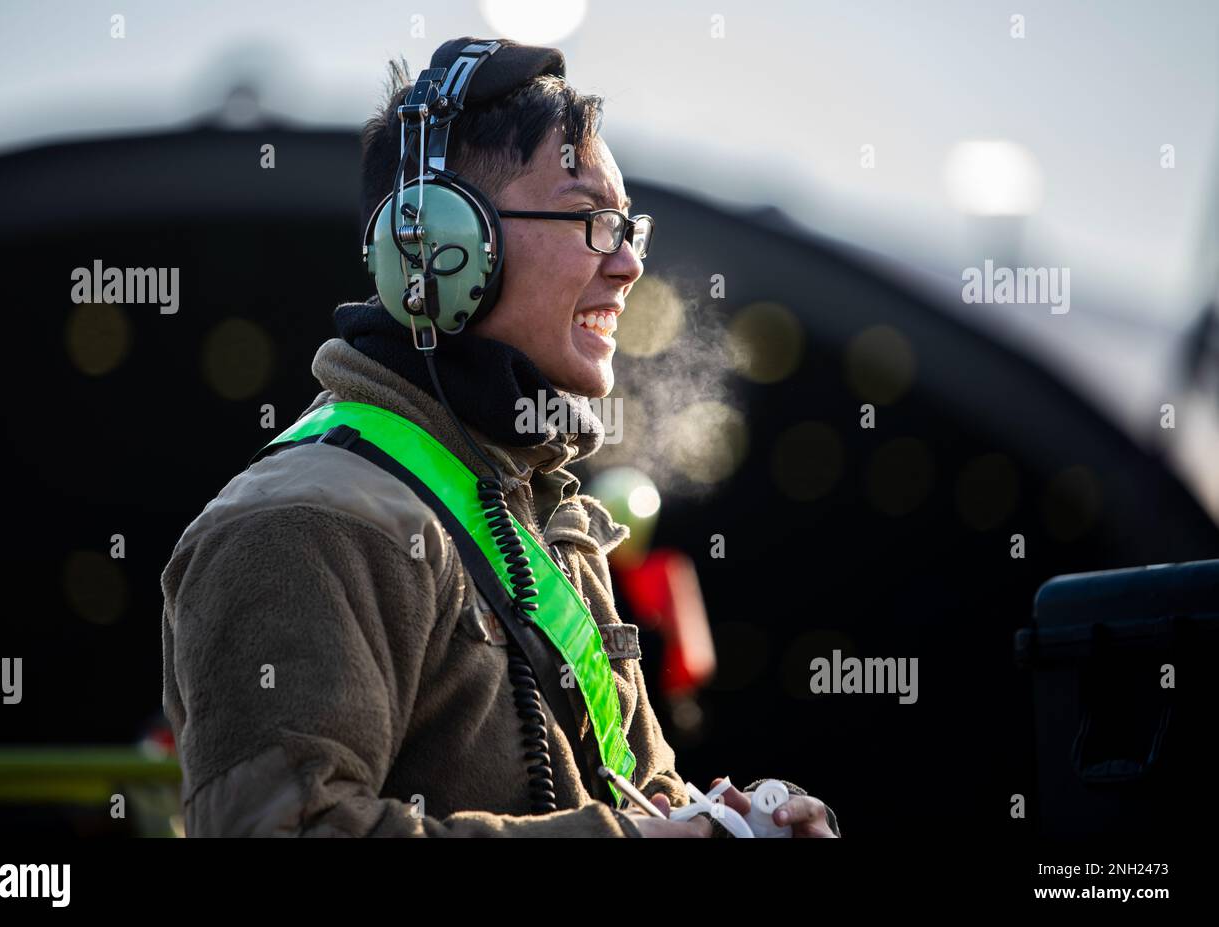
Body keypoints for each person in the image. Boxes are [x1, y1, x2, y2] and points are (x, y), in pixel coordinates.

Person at [159, 35, 839, 838]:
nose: (627, 266)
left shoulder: (549, 519)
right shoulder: (300, 523)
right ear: (435, 248)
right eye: (590, 219)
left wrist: (718, 819)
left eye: (630, 228)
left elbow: (628, 801)